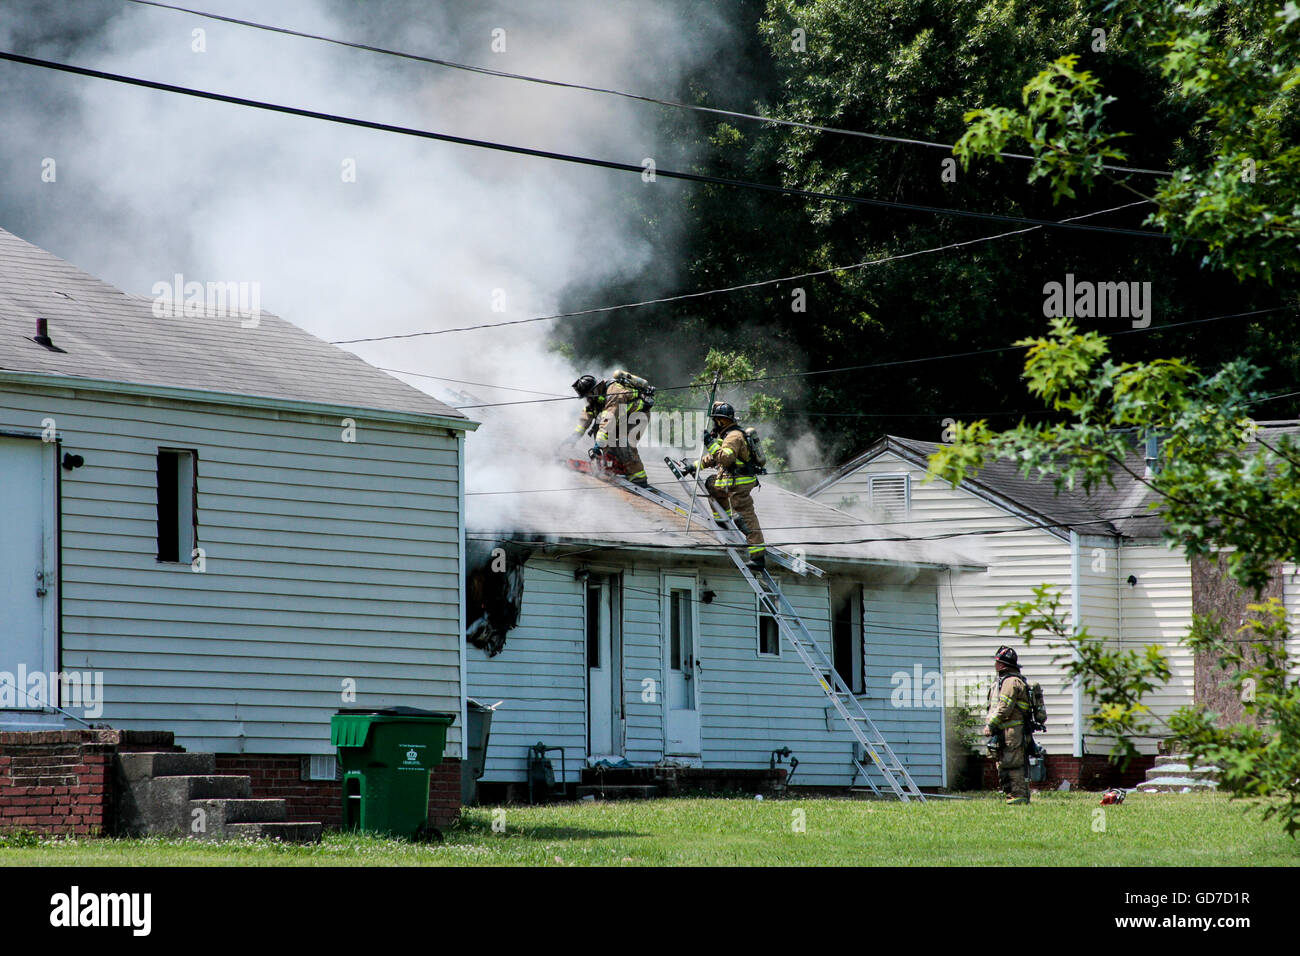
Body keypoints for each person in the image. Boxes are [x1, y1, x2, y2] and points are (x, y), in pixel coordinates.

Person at [684, 401, 766, 569]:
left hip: (740, 483)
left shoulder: (734, 436)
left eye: (716, 420)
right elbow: (715, 457)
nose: (714, 423)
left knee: (745, 518)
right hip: (731, 480)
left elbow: (725, 458)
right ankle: (723, 519)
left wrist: (709, 442)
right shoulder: (727, 436)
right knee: (712, 484)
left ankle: (758, 557)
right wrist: (694, 466)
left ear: (721, 421)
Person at [570, 372, 652, 487]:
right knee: (600, 432)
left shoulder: (614, 393)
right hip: (621, 417)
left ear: (595, 390)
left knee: (624, 443)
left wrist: (598, 445)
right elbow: (587, 415)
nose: (587, 399)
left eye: (588, 396)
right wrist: (574, 437)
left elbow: (608, 421)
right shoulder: (595, 397)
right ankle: (615, 465)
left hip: (637, 417)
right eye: (585, 397)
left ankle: (638, 478)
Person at [982, 645, 1032, 805]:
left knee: (1012, 764)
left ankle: (1017, 797)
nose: (995, 664)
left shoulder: (1010, 682)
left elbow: (1004, 707)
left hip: (1012, 732)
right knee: (1005, 763)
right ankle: (1014, 796)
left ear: (1003, 665)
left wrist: (991, 724)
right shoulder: (1006, 681)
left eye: (997, 661)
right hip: (1007, 731)